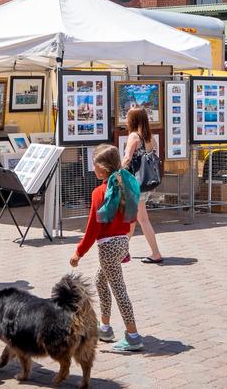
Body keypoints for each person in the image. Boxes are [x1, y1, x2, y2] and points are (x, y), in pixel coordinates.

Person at [69, 144, 144, 352]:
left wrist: (78, 252)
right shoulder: (124, 186)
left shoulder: (98, 193)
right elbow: (132, 218)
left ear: (102, 168)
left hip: (108, 247)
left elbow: (92, 228)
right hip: (121, 243)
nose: (93, 168)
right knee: (101, 281)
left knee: (119, 290)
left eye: (94, 164)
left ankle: (133, 335)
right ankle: (105, 327)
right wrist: (125, 244)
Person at [121, 107, 163, 263]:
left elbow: (127, 159)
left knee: (141, 219)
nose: (126, 119)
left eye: (128, 116)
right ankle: (123, 251)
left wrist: (116, 174)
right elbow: (154, 155)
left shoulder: (133, 136)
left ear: (133, 119)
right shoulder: (150, 137)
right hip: (145, 183)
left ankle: (156, 253)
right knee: (132, 218)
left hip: (133, 183)